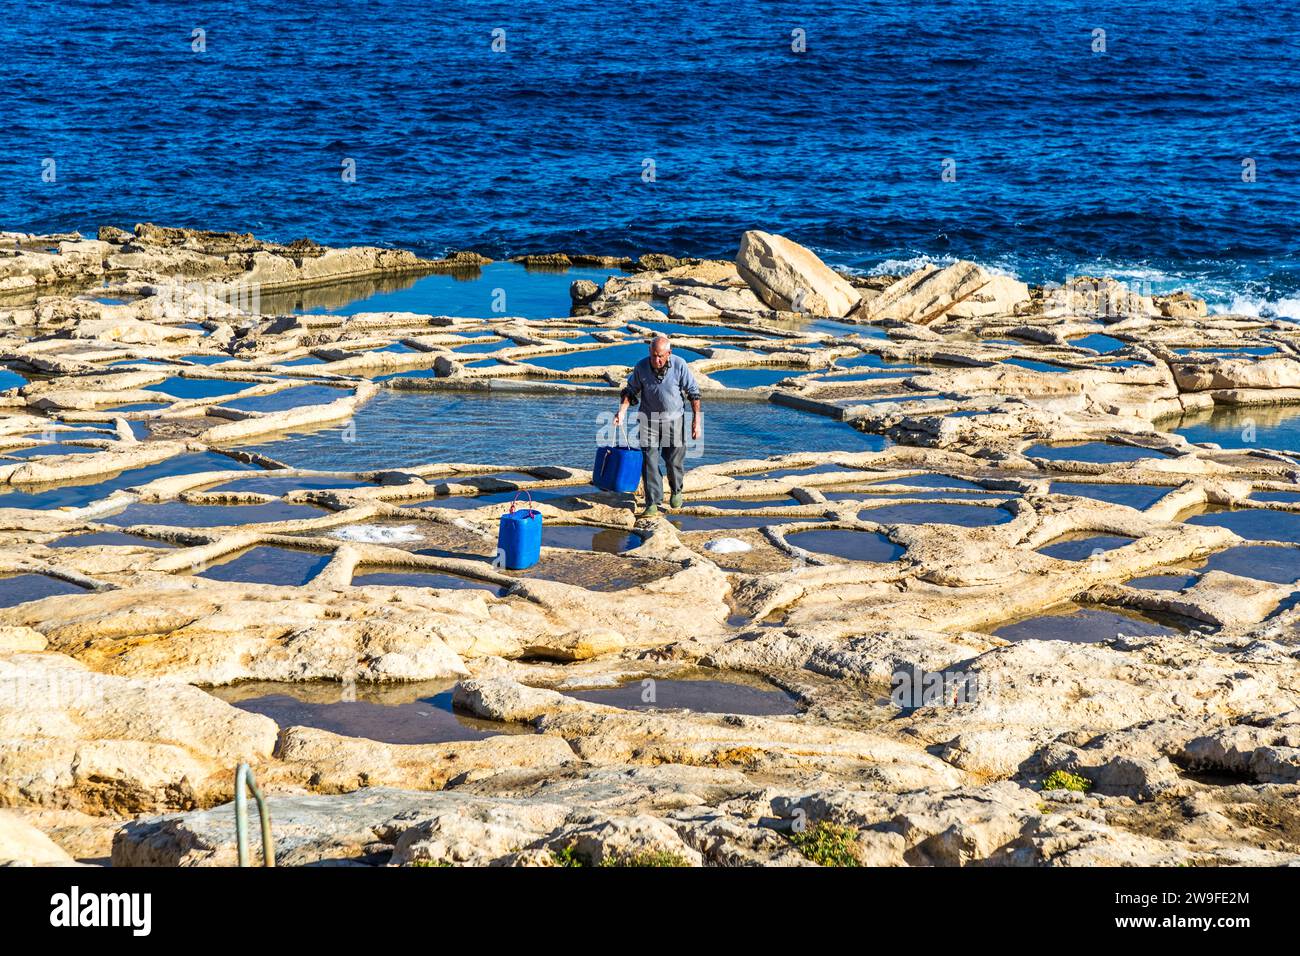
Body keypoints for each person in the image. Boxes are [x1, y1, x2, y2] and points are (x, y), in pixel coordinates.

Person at [613, 335, 702, 517]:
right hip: (648, 420)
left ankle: (676, 490)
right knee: (649, 461)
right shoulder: (641, 367)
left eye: (661, 356)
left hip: (674, 419)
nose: (657, 360)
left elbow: (693, 393)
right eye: (653, 355)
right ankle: (652, 502)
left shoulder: (679, 365)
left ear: (669, 353)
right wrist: (621, 412)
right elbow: (630, 391)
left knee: (673, 460)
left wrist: (696, 422)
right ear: (649, 352)